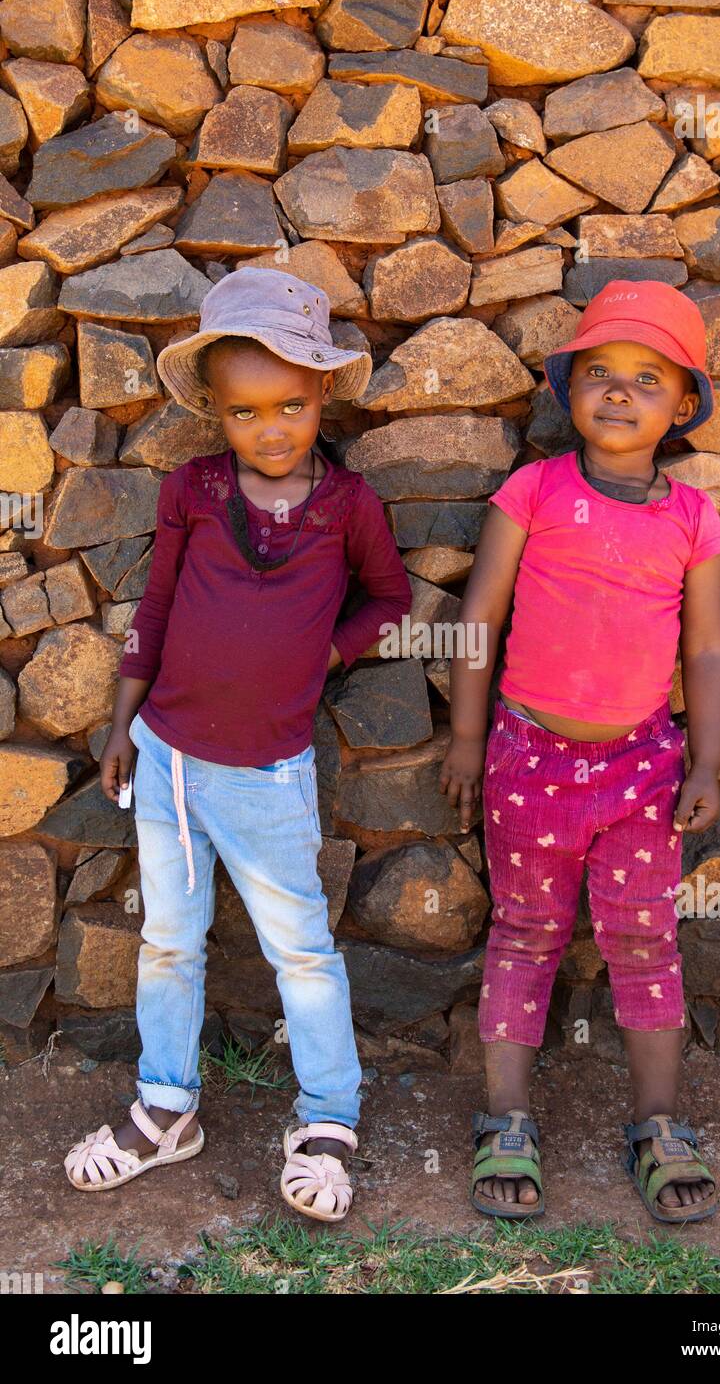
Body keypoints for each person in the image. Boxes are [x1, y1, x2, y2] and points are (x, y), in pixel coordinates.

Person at [64, 268, 413, 1223]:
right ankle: (166, 1106)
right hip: (169, 760)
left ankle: (330, 1118)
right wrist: (122, 724)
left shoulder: (347, 507)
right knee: (167, 940)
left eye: (291, 406)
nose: (270, 429)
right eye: (245, 411)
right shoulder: (193, 489)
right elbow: (160, 606)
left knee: (300, 947)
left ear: (323, 395)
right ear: (216, 412)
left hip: (268, 774)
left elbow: (391, 600)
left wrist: (320, 658)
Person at [440, 280, 720, 1223]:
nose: (617, 391)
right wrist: (469, 737)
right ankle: (507, 1117)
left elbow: (705, 650)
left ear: (682, 406)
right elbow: (479, 617)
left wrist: (708, 763)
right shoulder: (534, 491)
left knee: (645, 939)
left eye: (646, 378)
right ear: (568, 391)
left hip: (642, 769)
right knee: (525, 931)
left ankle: (655, 1120)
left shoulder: (692, 520)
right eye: (597, 371)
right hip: (526, 758)